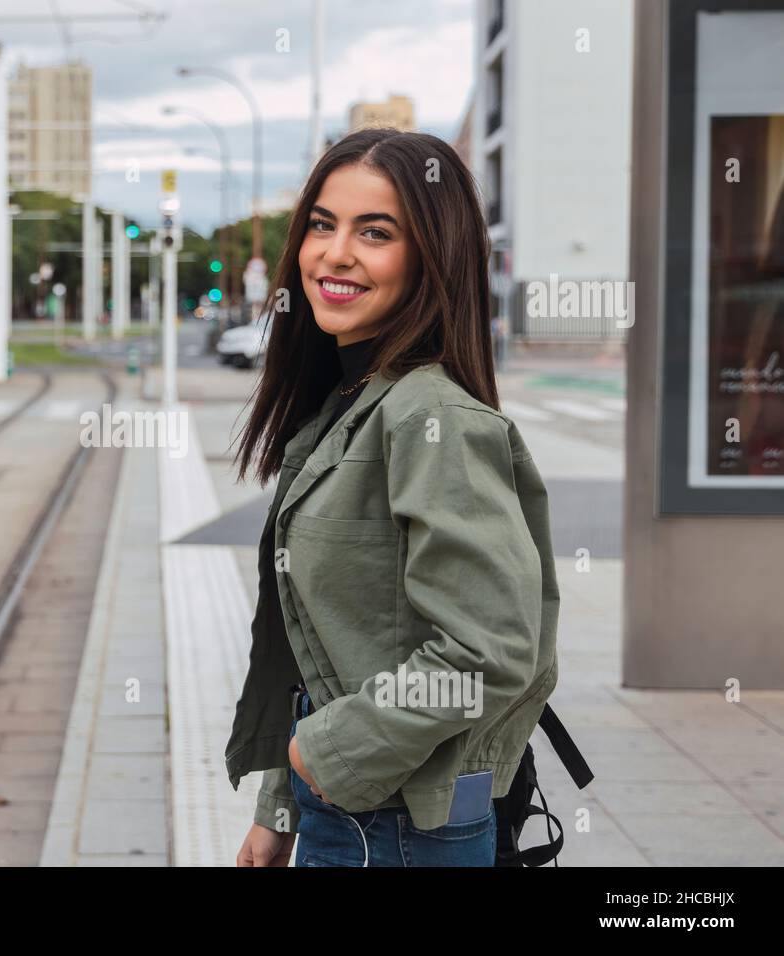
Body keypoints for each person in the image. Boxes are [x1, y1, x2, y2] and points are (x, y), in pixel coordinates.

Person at [227, 127, 559, 867]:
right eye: (321, 223)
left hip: (399, 831)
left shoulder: (429, 418)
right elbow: (327, 650)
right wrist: (284, 801)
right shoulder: (349, 406)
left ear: (431, 257)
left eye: (374, 232)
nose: (334, 253)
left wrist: (328, 756)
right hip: (348, 818)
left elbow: (489, 648)